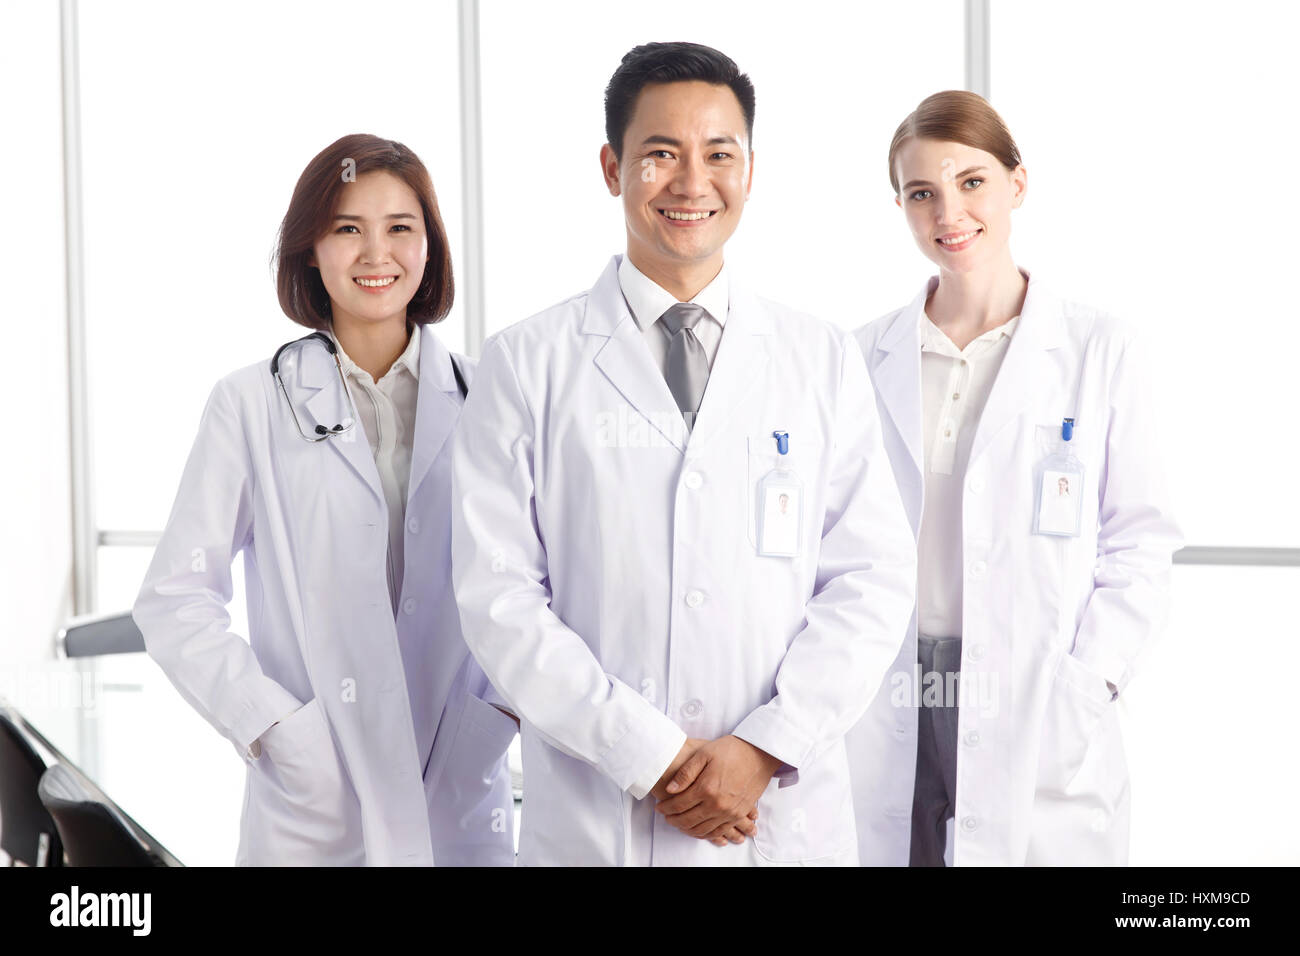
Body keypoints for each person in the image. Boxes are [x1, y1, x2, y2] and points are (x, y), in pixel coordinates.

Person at [450, 41, 915, 866]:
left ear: (750, 169)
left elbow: (871, 579)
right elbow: (501, 600)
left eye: (718, 154)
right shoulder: (525, 362)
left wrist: (765, 749)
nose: (692, 182)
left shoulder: (821, 358)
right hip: (600, 820)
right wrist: (652, 755)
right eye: (660, 154)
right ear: (611, 167)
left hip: (776, 820)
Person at [132, 134, 517, 866]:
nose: (377, 254)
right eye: (348, 229)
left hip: (459, 794)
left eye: (401, 228)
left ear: (430, 248)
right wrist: (275, 727)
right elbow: (174, 599)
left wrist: (494, 715)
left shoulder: (490, 401)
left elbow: (538, 587)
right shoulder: (249, 405)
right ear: (311, 249)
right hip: (313, 808)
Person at [846, 91, 1182, 866]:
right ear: (898, 204)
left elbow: (1140, 542)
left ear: (1016, 185)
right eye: (921, 192)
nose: (948, 212)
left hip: (1034, 680)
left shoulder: (1100, 349)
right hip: (891, 683)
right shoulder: (859, 358)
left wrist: (1087, 683)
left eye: (971, 183)